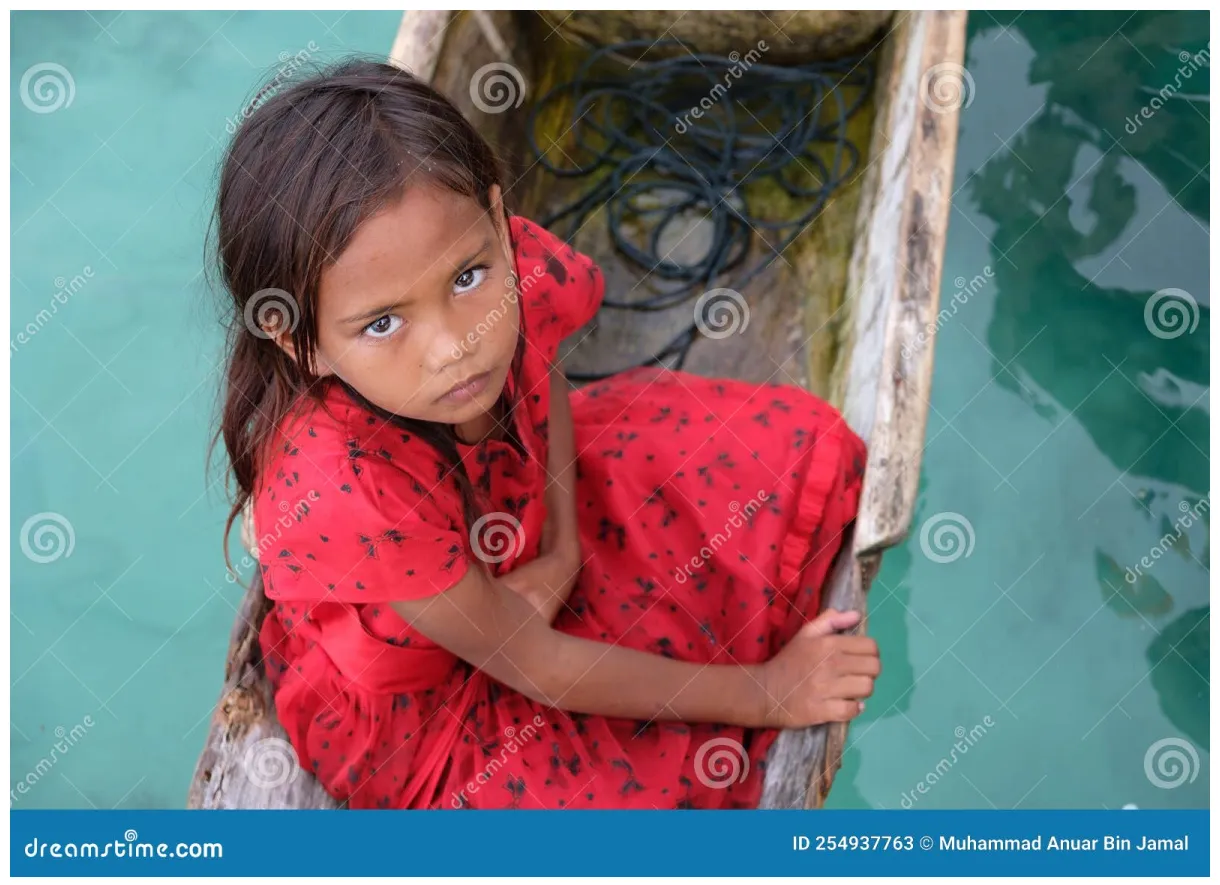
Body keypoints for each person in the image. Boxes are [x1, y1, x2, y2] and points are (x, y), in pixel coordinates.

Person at [213, 58, 879, 810]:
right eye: (383, 323)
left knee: (794, 451)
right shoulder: (347, 491)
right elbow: (536, 663)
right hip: (428, 704)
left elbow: (540, 376)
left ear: (498, 224)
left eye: (466, 279)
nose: (456, 346)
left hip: (522, 532)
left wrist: (560, 549)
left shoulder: (507, 275)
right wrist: (767, 692)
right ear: (301, 344)